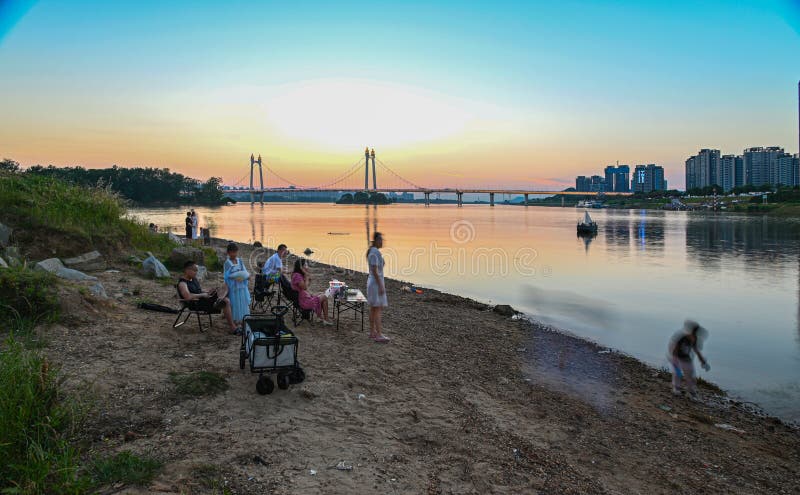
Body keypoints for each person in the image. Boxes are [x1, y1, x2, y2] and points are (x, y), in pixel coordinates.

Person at [177, 261, 237, 333]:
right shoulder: (182, 283)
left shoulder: (193, 280)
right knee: (226, 301)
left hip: (202, 300)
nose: (196, 272)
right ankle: (232, 327)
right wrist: (203, 295)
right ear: (187, 270)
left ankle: (219, 300)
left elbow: (198, 291)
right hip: (196, 304)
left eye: (196, 270)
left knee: (226, 286)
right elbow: (188, 297)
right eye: (194, 270)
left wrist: (207, 292)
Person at [668, 320, 710, 398]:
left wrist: (703, 361)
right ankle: (676, 388)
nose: (695, 336)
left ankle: (691, 391)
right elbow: (674, 349)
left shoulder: (695, 339)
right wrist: (674, 360)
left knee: (691, 376)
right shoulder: (682, 338)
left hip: (686, 359)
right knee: (677, 374)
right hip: (677, 358)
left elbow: (696, 350)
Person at [290, 258, 333, 325]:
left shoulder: (297, 274)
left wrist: (307, 277)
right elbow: (305, 287)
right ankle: (326, 319)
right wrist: (306, 276)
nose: (307, 266)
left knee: (322, 294)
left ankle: (319, 317)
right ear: (301, 267)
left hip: (303, 297)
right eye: (306, 265)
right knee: (324, 297)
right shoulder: (297, 276)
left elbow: (306, 287)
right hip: (303, 302)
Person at [366, 232, 389, 343]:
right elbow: (375, 271)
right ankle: (379, 334)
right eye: (380, 240)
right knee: (378, 309)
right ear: (375, 241)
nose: (382, 242)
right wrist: (380, 285)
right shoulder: (374, 252)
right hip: (375, 283)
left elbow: (379, 266)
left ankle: (372, 332)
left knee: (374, 308)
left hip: (372, 282)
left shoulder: (374, 252)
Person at [223, 242, 251, 333]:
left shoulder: (240, 261)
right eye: (232, 252)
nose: (234, 254)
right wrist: (236, 276)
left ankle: (244, 320)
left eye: (235, 252)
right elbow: (227, 275)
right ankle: (236, 321)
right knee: (235, 303)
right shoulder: (227, 263)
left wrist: (245, 276)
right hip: (234, 286)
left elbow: (245, 271)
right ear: (228, 253)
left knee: (243, 302)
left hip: (242, 285)